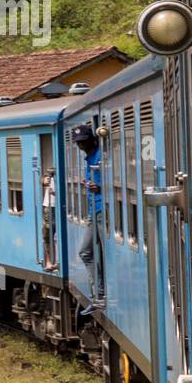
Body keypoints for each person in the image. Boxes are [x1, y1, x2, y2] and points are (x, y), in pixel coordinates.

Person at [73, 123, 105, 311]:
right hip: (94, 211)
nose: (81, 146)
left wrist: (99, 187)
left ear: (92, 139)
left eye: (83, 142)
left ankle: (99, 294)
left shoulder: (100, 156)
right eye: (78, 143)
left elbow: (112, 179)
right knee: (89, 252)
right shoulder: (89, 157)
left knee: (87, 252)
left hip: (102, 211)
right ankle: (98, 294)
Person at [42, 169, 58, 272]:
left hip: (58, 207)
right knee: (47, 236)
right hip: (48, 207)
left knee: (57, 237)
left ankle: (56, 262)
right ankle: (49, 261)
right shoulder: (51, 173)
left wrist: (56, 193)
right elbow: (43, 178)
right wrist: (45, 180)